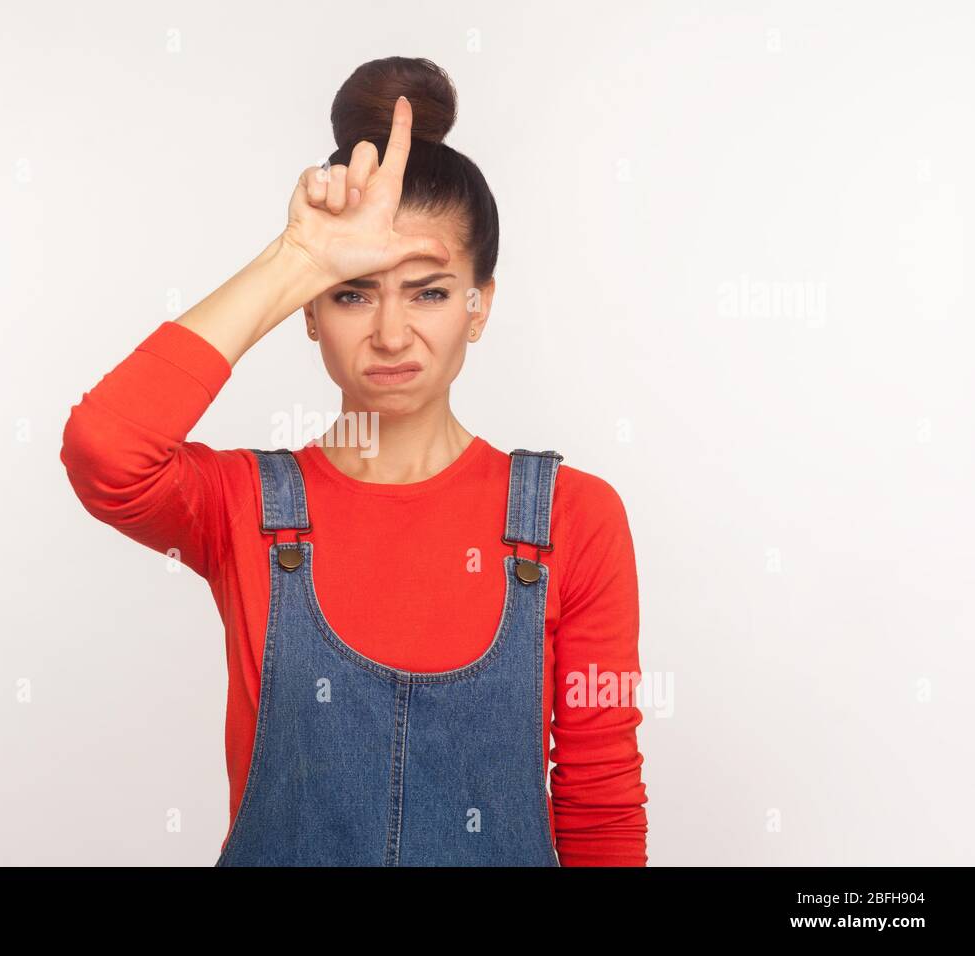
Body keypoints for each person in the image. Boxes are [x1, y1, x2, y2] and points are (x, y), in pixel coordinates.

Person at [60, 56, 648, 866]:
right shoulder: (244, 508)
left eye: (431, 291)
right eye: (352, 293)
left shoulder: (577, 519)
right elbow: (106, 449)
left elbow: (602, 799)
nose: (393, 333)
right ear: (310, 313)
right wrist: (299, 257)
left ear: (481, 307)